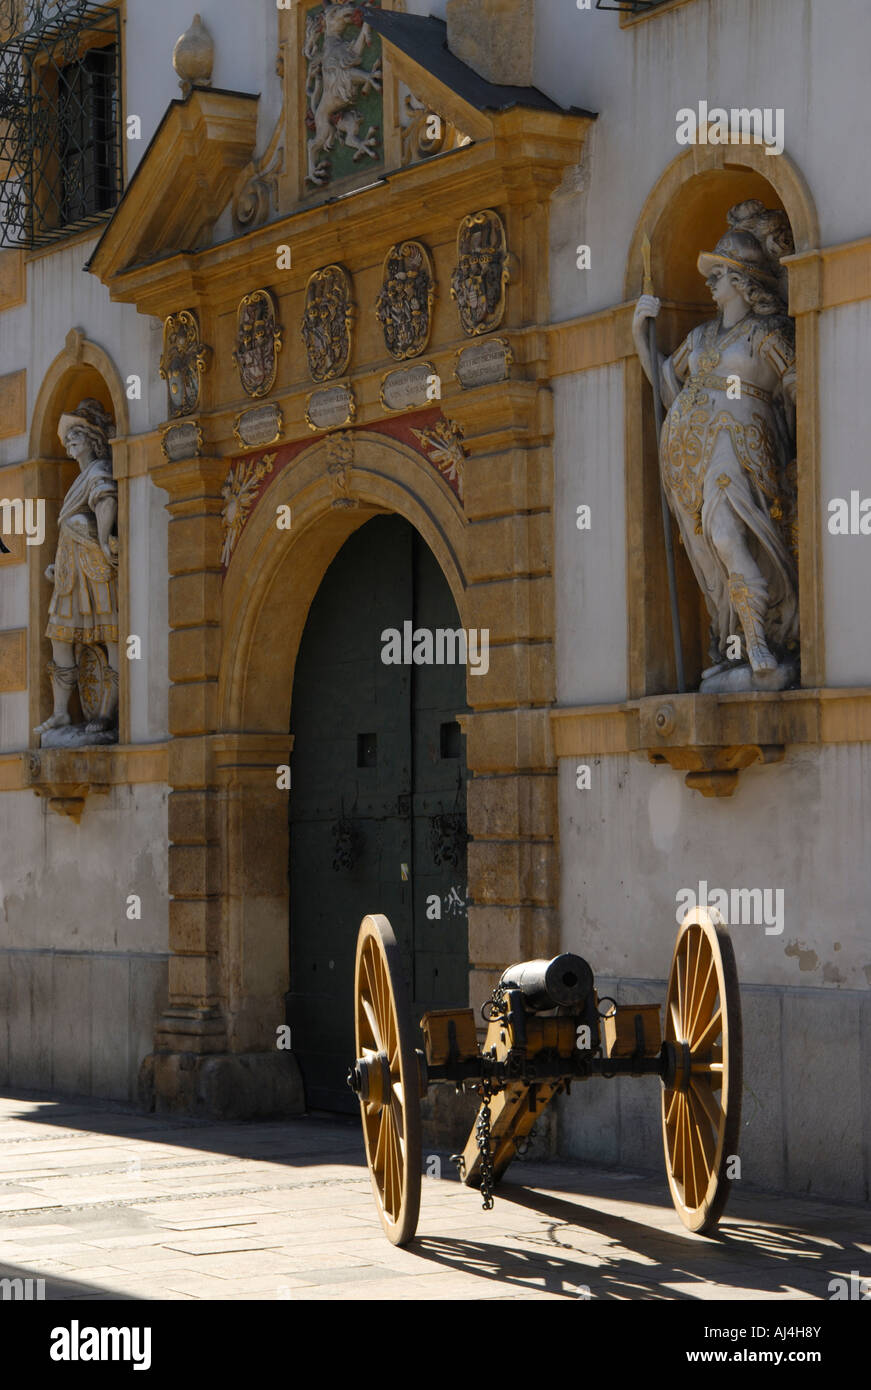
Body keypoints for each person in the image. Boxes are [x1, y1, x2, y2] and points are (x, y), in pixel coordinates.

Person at [632, 208, 799, 686]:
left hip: (742, 444)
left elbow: (799, 389)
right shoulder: (702, 336)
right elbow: (666, 382)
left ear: (745, 281)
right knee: (709, 552)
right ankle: (737, 645)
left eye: (720, 273)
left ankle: (760, 646)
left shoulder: (769, 333)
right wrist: (639, 336)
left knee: (728, 535)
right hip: (691, 458)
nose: (710, 283)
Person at [35, 400, 119, 737]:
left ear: (92, 439)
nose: (69, 441)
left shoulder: (98, 471)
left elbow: (107, 501)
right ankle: (60, 714)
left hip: (96, 568)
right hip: (71, 573)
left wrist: (103, 540)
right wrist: (56, 565)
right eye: (68, 437)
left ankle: (107, 713)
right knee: (59, 638)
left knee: (112, 638)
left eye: (76, 435)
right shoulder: (83, 475)